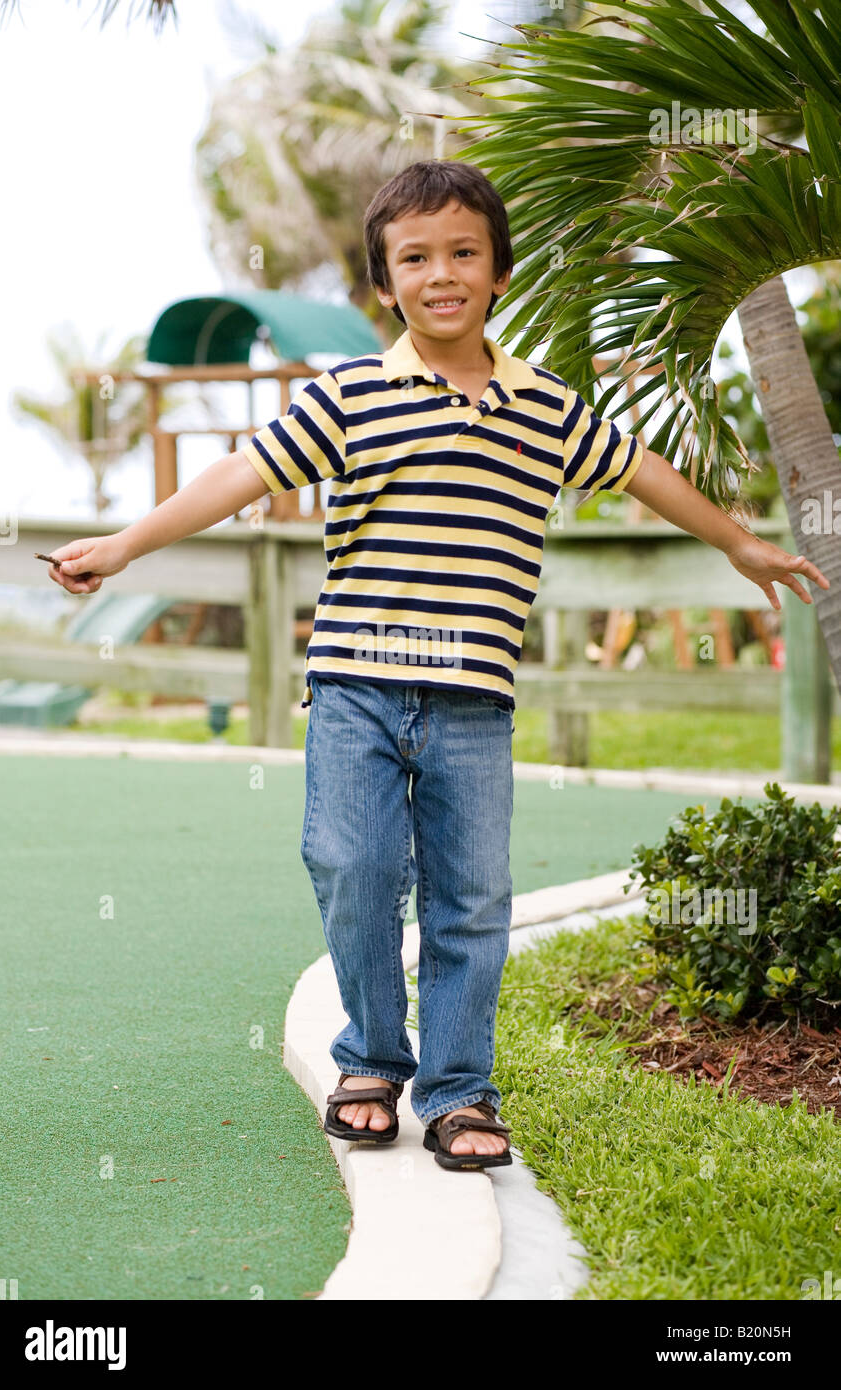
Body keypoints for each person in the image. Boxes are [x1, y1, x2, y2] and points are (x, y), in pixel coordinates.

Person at [47, 159, 829, 1173]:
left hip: (472, 703)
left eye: (462, 252)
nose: (440, 273)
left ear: (496, 270)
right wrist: (123, 545)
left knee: (468, 898)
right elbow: (240, 472)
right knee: (353, 867)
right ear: (383, 283)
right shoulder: (351, 395)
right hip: (354, 690)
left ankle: (458, 1090)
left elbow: (640, 470)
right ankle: (370, 1059)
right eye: (413, 258)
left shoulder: (544, 407)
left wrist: (736, 541)